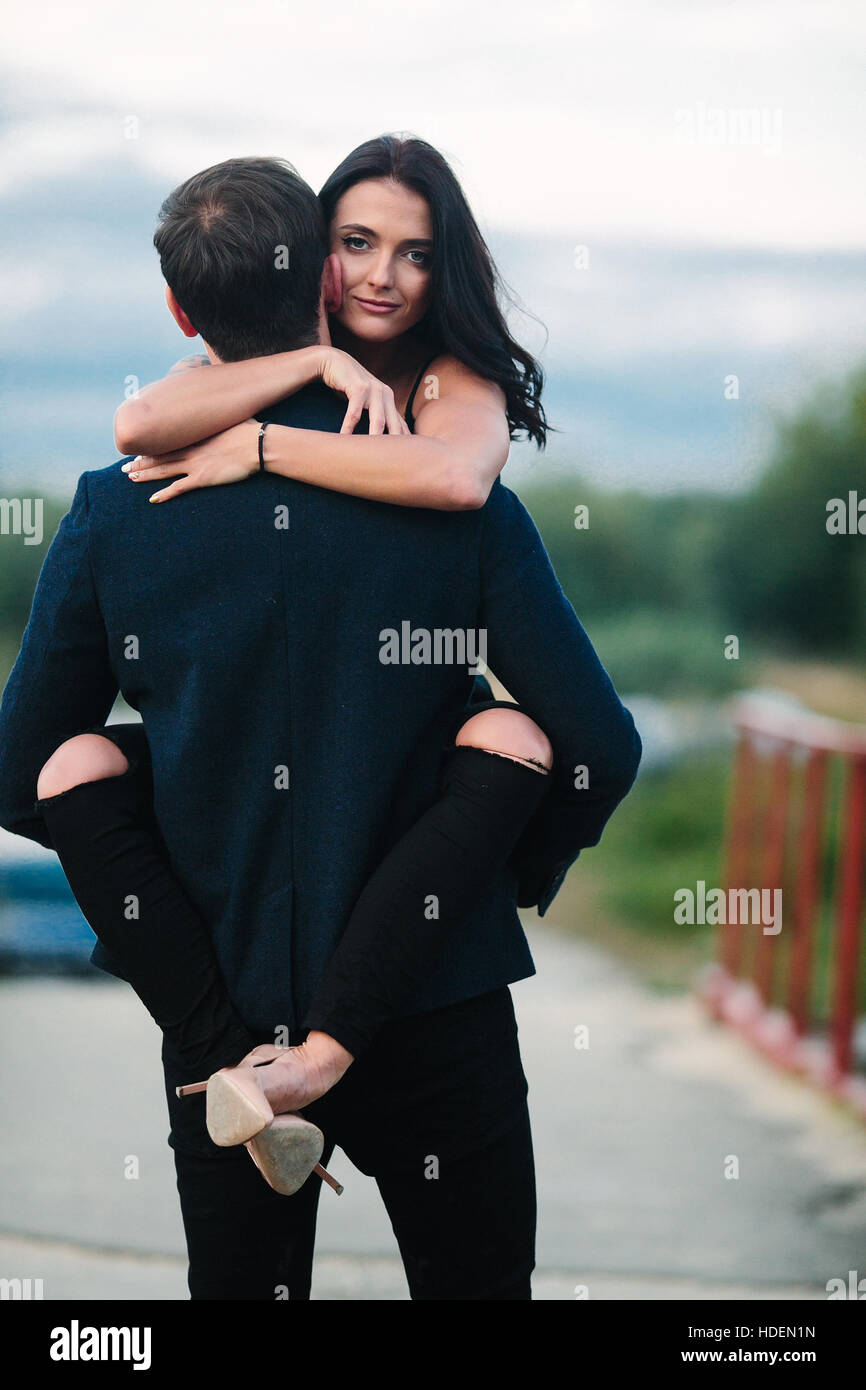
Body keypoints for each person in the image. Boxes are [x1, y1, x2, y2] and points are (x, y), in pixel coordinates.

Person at [0, 153, 642, 1300]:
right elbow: (597, 748)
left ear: (178, 311)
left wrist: (183, 837)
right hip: (435, 992)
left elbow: (20, 773)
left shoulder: (116, 507)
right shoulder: (453, 495)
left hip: (223, 1013)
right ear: (320, 292)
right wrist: (485, 867)